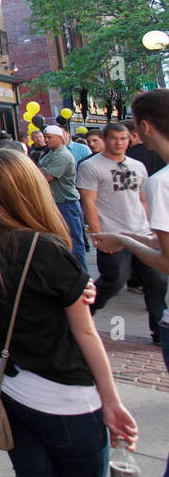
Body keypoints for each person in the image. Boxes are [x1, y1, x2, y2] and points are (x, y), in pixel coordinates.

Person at [0, 149, 137, 477]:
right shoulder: (44, 247)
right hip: (63, 396)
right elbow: (84, 332)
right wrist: (112, 401)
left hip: (1, 380)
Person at [93, 91, 169, 477]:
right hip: (126, 236)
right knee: (115, 282)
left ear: (143, 128)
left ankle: (157, 327)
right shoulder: (98, 168)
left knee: (149, 284)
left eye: (129, 133)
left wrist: (130, 238)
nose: (125, 141)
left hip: (136, 237)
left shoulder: (154, 177)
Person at [79, 122, 165, 343]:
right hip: (112, 234)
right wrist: (97, 234)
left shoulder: (138, 166)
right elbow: (89, 202)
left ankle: (160, 332)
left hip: (141, 232)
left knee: (156, 282)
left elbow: (143, 199)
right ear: (106, 139)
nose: (119, 143)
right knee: (114, 280)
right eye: (114, 138)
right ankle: (80, 317)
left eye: (124, 138)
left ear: (130, 139)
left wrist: (151, 229)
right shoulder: (91, 166)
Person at [38, 125, 86, 271]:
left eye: (49, 137)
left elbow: (46, 177)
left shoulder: (62, 156)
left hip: (66, 204)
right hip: (57, 203)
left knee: (73, 242)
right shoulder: (50, 154)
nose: (46, 140)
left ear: (60, 138)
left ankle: (81, 275)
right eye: (45, 137)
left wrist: (37, 171)